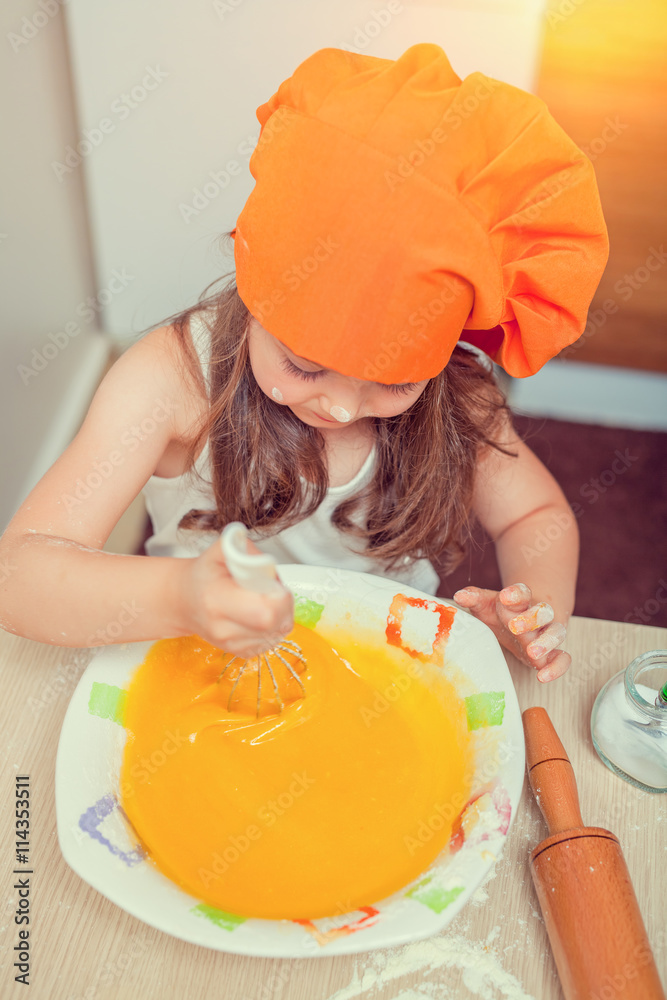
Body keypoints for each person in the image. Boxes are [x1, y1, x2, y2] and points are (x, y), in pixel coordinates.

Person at [0, 43, 609, 684]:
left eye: (395, 381)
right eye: (304, 366)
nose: (342, 407)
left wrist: (533, 611)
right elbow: (21, 577)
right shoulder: (172, 382)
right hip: (201, 665)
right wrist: (180, 596)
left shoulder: (458, 396)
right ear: (257, 291)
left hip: (379, 671)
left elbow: (534, 516)